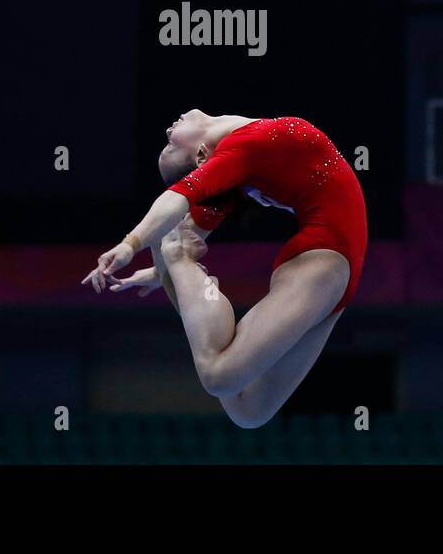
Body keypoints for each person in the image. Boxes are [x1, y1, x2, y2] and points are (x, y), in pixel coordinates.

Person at [82, 111, 366, 428]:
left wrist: (157, 271)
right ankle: (177, 262)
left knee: (249, 411)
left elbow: (185, 211)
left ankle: (178, 265)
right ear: (203, 155)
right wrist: (131, 245)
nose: (167, 128)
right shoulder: (243, 149)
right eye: (171, 145)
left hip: (333, 270)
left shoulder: (249, 151)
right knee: (226, 387)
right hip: (324, 260)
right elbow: (178, 200)